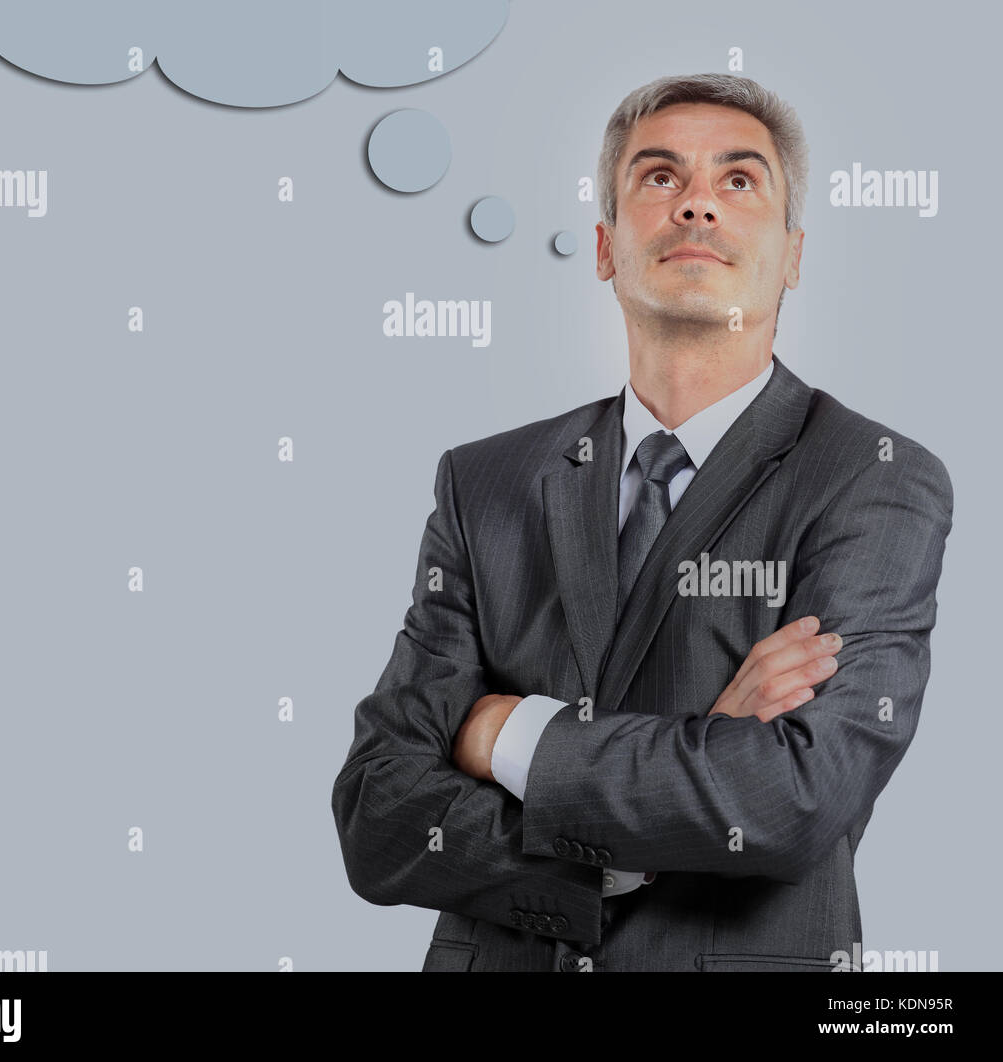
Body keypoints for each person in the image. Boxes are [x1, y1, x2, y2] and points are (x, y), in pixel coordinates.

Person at [331, 73, 953, 972]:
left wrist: (503, 735)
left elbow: (792, 797)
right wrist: (659, 808)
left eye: (738, 181)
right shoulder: (486, 482)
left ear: (792, 254)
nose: (696, 202)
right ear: (603, 247)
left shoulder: (872, 479)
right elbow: (378, 813)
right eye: (658, 177)